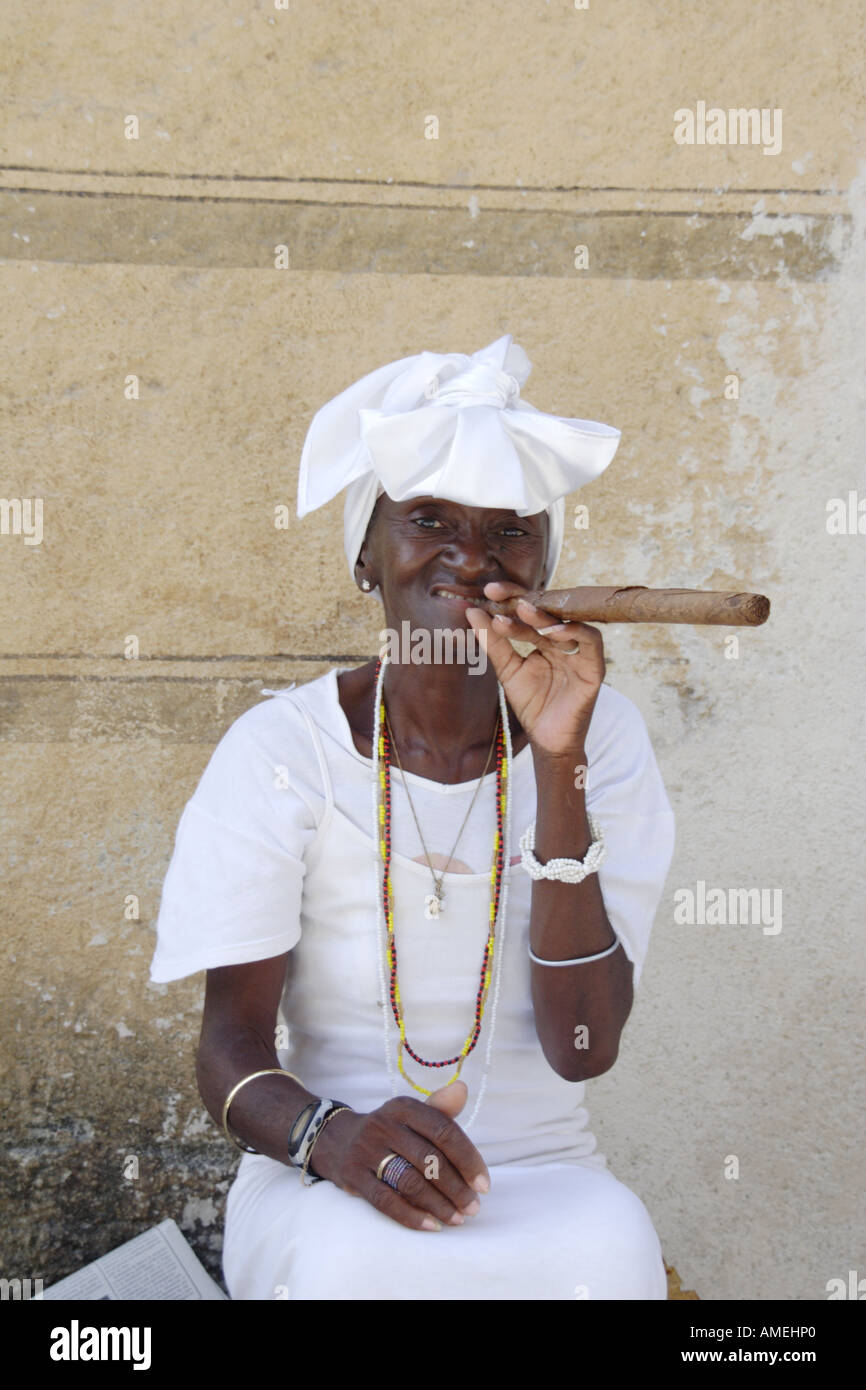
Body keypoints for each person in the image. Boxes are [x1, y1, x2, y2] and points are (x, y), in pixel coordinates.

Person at [150, 333, 676, 1300]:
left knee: (612, 1251)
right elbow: (228, 1051)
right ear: (367, 555)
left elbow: (583, 1048)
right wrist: (330, 1136)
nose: (471, 556)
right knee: (357, 1272)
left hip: (545, 1177)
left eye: (511, 529)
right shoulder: (283, 753)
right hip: (333, 1179)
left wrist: (560, 760)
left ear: (546, 558)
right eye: (427, 518)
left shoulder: (606, 741)